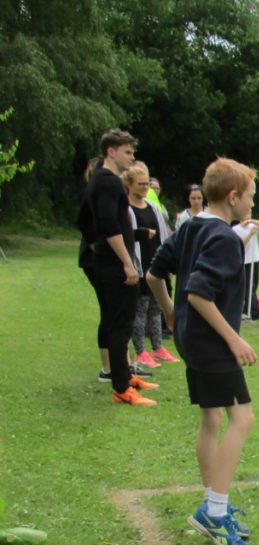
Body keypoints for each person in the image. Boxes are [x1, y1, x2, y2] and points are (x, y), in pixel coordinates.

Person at [147, 157, 258, 545]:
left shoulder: (191, 226)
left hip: (190, 339)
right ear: (233, 196)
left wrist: (170, 313)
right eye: (251, 197)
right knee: (242, 418)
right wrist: (234, 339)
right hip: (211, 344)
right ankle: (214, 511)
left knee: (211, 419)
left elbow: (154, 274)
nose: (252, 204)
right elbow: (198, 293)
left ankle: (214, 504)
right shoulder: (223, 237)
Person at [81, 129, 159, 406]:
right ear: (111, 152)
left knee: (119, 321)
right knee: (120, 324)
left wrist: (96, 247)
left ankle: (125, 375)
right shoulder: (107, 182)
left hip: (108, 262)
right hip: (115, 267)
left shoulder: (102, 181)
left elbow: (83, 220)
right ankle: (121, 388)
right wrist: (126, 263)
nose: (132, 157)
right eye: (127, 152)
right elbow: (108, 224)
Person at [124, 163, 178, 367]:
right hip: (139, 264)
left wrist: (167, 263)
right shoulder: (126, 210)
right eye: (140, 184)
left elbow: (164, 235)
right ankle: (140, 351)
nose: (145, 187)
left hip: (155, 263)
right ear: (129, 185)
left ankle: (158, 347)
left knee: (157, 307)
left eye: (147, 183)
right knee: (141, 308)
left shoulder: (153, 207)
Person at [236, 215, 259, 321]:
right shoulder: (236, 229)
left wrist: (251, 221)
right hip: (245, 261)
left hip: (255, 259)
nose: (248, 215)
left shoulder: (253, 226)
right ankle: (254, 313)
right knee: (248, 287)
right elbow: (240, 245)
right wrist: (250, 234)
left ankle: (247, 311)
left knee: (253, 287)